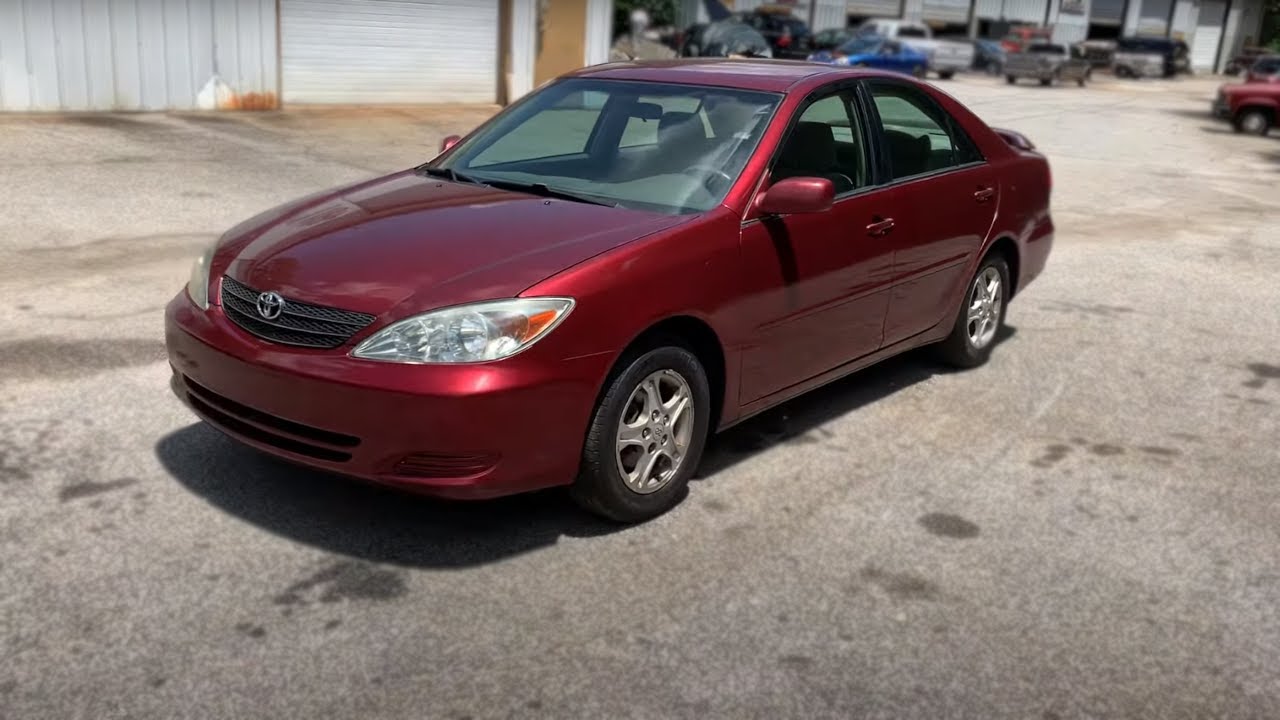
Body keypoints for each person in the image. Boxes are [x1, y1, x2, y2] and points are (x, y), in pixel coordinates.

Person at [610, 8, 678, 62]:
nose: (638, 27)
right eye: (636, 23)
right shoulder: (621, 46)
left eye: (641, 23)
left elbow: (673, 60)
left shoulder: (655, 45)